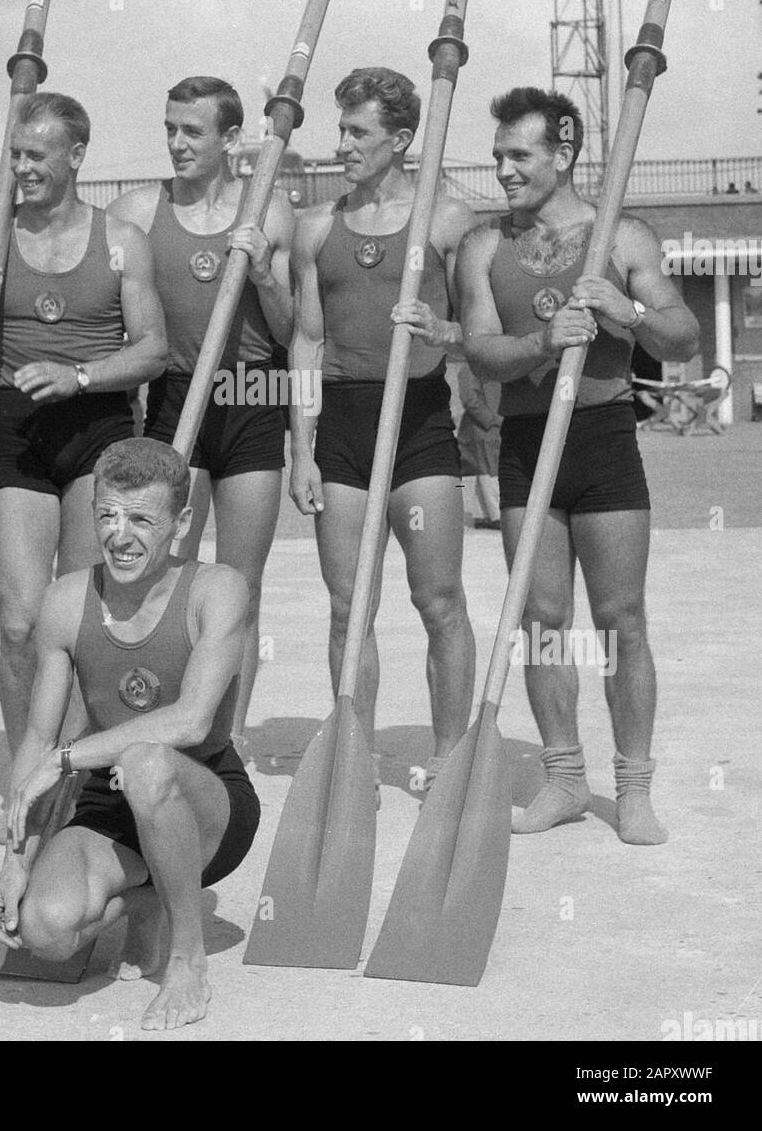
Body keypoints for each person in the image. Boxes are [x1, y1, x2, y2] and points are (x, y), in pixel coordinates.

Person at [0, 93, 167, 841]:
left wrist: (80, 376)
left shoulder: (121, 240)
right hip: (19, 435)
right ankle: (24, 784)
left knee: (85, 618)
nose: (21, 168)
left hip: (97, 429)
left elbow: (154, 349)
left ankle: (78, 776)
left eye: (36, 155)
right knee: (23, 622)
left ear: (76, 157)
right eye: (14, 154)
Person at [456, 86, 699, 844]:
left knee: (620, 618)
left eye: (519, 154)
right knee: (543, 620)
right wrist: (541, 343)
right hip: (528, 447)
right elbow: (479, 352)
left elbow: (683, 337)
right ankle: (563, 779)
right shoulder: (483, 247)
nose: (502, 169)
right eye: (498, 154)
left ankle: (632, 788)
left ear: (563, 156)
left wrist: (620, 309)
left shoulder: (621, 237)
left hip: (602, 439)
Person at [0, 438, 259, 1031]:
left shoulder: (219, 590)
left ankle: (187, 959)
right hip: (110, 800)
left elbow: (191, 721)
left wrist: (68, 759)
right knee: (45, 930)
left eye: (141, 518)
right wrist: (14, 863)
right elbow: (37, 739)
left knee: (146, 762)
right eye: (107, 515)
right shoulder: (64, 602)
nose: (120, 535)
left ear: (182, 523)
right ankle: (149, 900)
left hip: (206, 798)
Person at [289, 67, 476, 796]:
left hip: (421, 420)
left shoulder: (446, 221)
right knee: (348, 605)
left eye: (357, 132)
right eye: (339, 130)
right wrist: (300, 445)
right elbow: (306, 342)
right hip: (341, 427)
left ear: (400, 140)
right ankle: (354, 754)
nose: (342, 145)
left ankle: (452, 754)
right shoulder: (315, 228)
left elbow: (480, 336)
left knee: (438, 600)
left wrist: (443, 329)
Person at [107, 77, 295, 742]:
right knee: (162, 572)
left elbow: (290, 329)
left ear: (232, 139)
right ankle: (159, 719)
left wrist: (265, 271)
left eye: (192, 131)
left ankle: (230, 737)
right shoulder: (135, 211)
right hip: (174, 396)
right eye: (169, 129)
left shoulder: (268, 211)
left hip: (252, 394)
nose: (176, 143)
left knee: (240, 582)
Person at [456, 362, 502, 530]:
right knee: (489, 470)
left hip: (486, 426)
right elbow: (470, 399)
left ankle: (482, 514)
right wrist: (492, 420)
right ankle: (496, 514)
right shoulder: (470, 368)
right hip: (482, 427)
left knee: (484, 469)